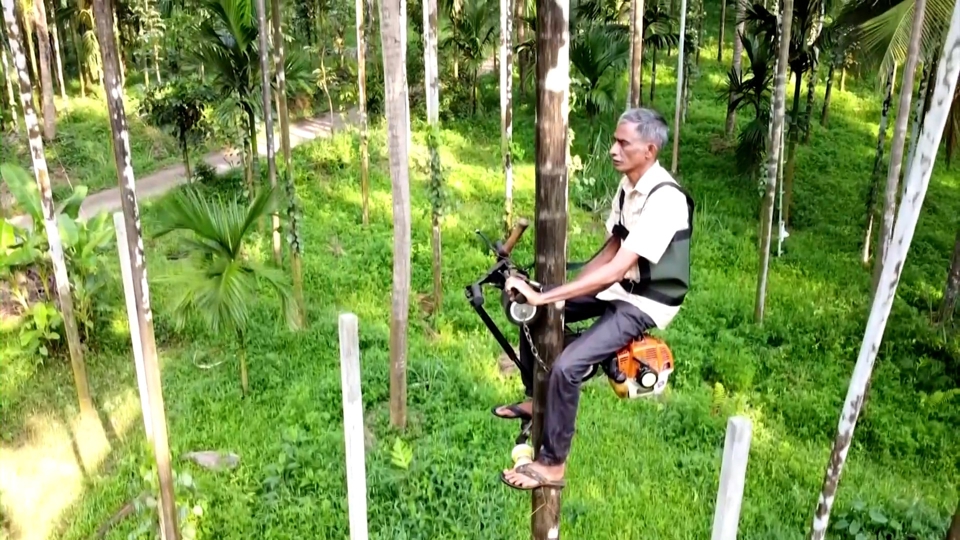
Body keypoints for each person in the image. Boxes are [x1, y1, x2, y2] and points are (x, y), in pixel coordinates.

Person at [496, 107, 694, 491]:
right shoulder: (628, 185)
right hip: (622, 285)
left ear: (649, 150)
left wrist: (546, 295)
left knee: (568, 366)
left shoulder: (664, 199)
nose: (614, 150)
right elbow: (611, 249)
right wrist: (550, 296)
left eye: (624, 144)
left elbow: (618, 268)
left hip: (646, 301)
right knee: (536, 315)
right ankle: (536, 399)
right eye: (615, 142)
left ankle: (553, 464)